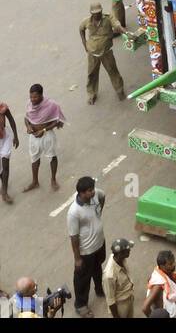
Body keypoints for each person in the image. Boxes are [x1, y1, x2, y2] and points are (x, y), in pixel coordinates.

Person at [67, 175, 106, 317]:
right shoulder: (74, 212)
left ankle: (100, 289)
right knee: (82, 277)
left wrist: (99, 211)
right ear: (81, 193)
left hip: (100, 243)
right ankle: (81, 304)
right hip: (86, 250)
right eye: (90, 191)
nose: (93, 192)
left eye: (93, 189)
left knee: (98, 268)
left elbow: (102, 196)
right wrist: (77, 258)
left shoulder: (96, 195)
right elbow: (74, 237)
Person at [79, 2, 132, 104]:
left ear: (102, 11)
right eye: (95, 13)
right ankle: (92, 94)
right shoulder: (87, 22)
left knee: (113, 72)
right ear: (91, 13)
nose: (97, 14)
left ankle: (119, 91)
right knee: (91, 74)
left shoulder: (108, 19)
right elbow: (81, 29)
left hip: (106, 53)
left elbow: (117, 26)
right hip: (92, 53)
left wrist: (126, 33)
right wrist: (84, 43)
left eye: (99, 12)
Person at [22, 84, 65, 192]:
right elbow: (26, 118)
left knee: (52, 157)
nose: (32, 99)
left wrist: (44, 130)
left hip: (47, 135)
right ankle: (35, 182)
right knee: (34, 159)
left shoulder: (51, 105)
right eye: (31, 97)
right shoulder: (29, 104)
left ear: (41, 95)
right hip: (34, 136)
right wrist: (28, 127)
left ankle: (53, 179)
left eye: (35, 97)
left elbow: (57, 121)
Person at [143, 250, 176, 318]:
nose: (174, 265)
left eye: (174, 262)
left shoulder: (168, 275)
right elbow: (145, 308)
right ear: (162, 266)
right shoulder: (158, 284)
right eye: (170, 264)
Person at [102, 238, 135, 320]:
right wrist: (116, 316)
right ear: (120, 254)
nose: (130, 250)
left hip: (129, 297)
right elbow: (110, 300)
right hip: (121, 305)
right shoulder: (109, 276)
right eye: (127, 250)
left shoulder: (120, 258)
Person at [0, 100, 19, 204]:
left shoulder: (2, 107)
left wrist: (16, 136)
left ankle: (4, 192)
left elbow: (11, 120)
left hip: (5, 138)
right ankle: (3, 184)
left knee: (5, 165)